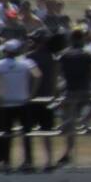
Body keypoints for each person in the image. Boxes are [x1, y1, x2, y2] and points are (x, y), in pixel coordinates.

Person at [0, 40, 40, 172]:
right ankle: (28, 161)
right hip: (23, 102)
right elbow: (37, 75)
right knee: (27, 133)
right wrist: (32, 93)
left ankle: (6, 162)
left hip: (6, 103)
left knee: (6, 134)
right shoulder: (27, 63)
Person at [58, 28, 91, 166]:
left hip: (70, 92)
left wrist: (58, 91)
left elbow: (59, 74)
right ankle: (84, 120)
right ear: (82, 39)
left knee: (70, 124)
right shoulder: (87, 55)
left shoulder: (64, 55)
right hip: (85, 91)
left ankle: (68, 152)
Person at [25, 29, 61, 169]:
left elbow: (31, 77)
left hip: (33, 99)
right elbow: (55, 79)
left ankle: (29, 161)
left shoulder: (30, 57)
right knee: (47, 132)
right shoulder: (53, 58)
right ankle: (49, 160)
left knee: (28, 131)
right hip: (48, 97)